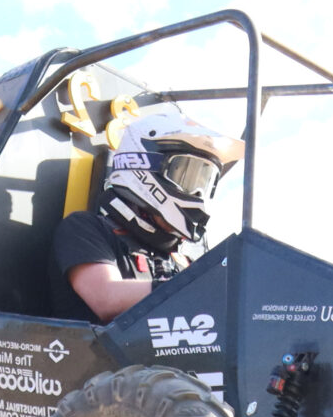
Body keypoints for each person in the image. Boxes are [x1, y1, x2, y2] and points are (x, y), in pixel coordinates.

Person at [49, 110, 244, 323]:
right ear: (141, 166)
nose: (197, 194)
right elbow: (107, 299)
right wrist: (199, 287)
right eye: (186, 175)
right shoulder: (85, 228)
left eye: (204, 182)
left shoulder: (184, 256)